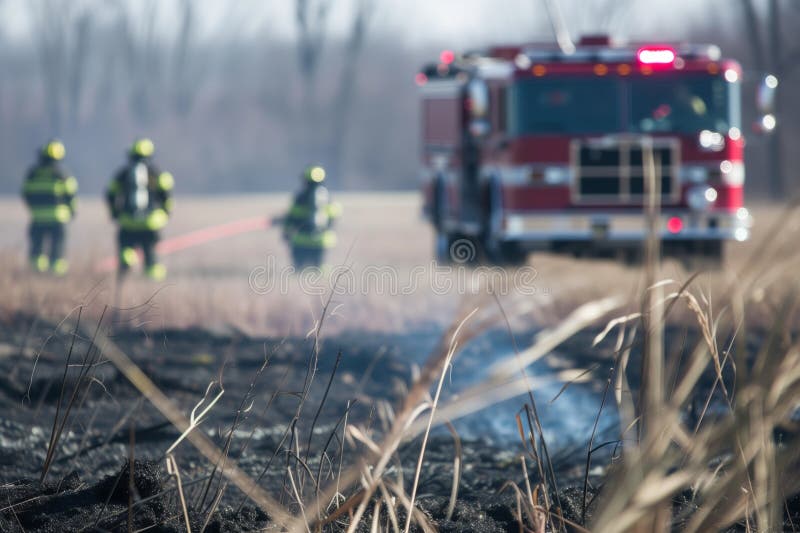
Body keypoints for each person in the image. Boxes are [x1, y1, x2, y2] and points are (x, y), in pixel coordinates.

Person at [106, 138, 174, 280]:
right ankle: (153, 283)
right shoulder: (156, 174)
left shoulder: (123, 174)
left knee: (126, 247)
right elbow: (166, 195)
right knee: (150, 254)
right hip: (150, 222)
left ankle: (128, 260)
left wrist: (115, 212)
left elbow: (110, 194)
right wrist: (166, 213)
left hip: (128, 222)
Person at [21, 139, 77, 275]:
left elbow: (26, 193)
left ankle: (36, 274)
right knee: (57, 248)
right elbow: (71, 194)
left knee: (37, 249)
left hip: (38, 217)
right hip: (58, 219)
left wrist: (34, 208)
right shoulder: (62, 174)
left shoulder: (33, 174)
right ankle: (56, 275)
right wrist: (72, 211)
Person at [282, 165, 341, 269]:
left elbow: (291, 217)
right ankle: (326, 284)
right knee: (319, 268)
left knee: (299, 269)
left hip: (301, 240)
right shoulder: (327, 196)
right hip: (322, 241)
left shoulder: (300, 197)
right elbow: (333, 217)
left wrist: (286, 232)